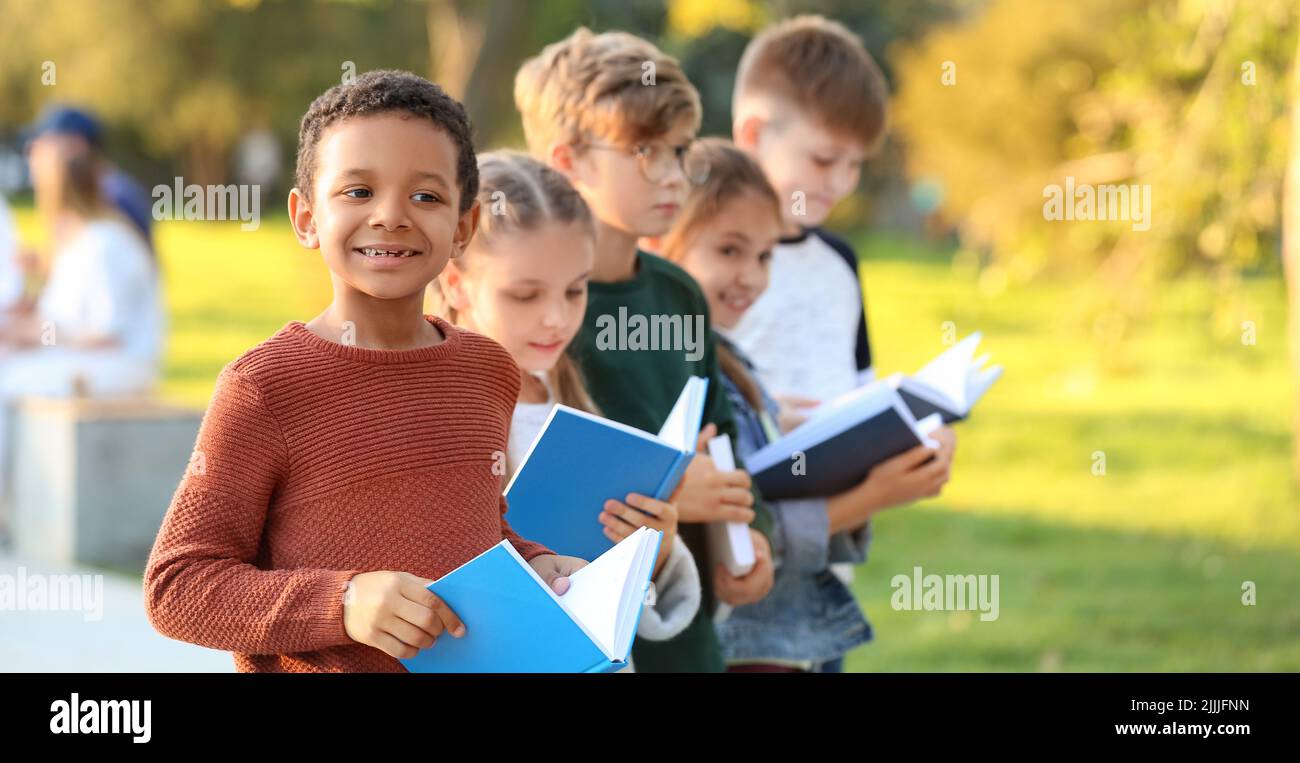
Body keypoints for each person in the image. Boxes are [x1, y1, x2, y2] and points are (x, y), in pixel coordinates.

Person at [142, 70, 585, 672]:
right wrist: (343, 601)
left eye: (425, 196)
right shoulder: (264, 388)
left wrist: (534, 561)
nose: (391, 216)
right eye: (357, 191)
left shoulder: (487, 371)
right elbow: (178, 586)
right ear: (305, 218)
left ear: (463, 227)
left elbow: (480, 530)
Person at [515, 27, 776, 672]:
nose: (671, 175)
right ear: (568, 158)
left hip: (682, 626)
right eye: (644, 151)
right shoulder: (534, 316)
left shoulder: (680, 293)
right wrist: (669, 500)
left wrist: (753, 539)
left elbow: (722, 438)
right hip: (584, 623)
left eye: (679, 150)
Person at [653, 138, 955, 672]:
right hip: (742, 642)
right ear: (661, 242)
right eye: (729, 250)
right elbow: (740, 523)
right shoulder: (674, 371)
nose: (751, 275)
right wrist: (874, 495)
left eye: (765, 256)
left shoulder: (732, 360)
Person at [431, 151, 702, 662]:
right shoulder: (433, 411)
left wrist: (656, 550)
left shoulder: (572, 393)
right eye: (525, 295)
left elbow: (616, 599)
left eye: (575, 291)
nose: (556, 318)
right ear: (456, 283)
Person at [728, 15, 960, 589]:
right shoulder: (708, 268)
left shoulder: (840, 264)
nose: (841, 182)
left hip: (829, 559)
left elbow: (862, 392)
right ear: (754, 134)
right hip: (739, 554)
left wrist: (918, 439)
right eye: (825, 160)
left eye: (856, 165)